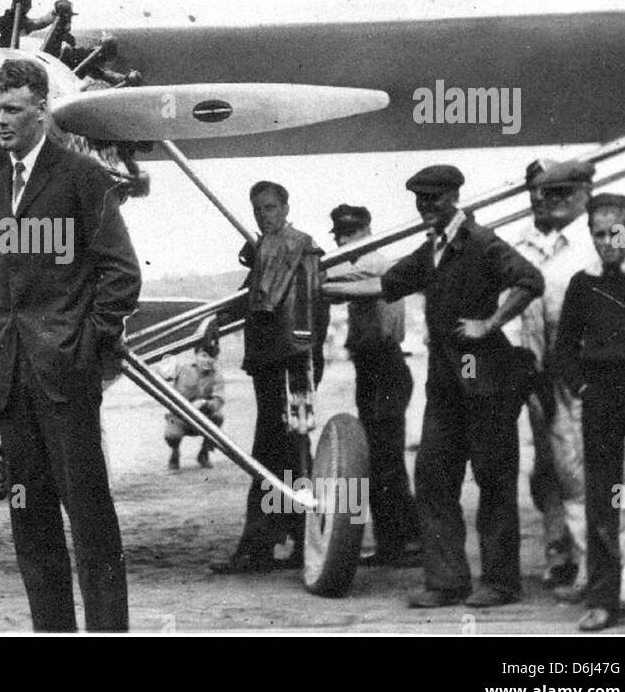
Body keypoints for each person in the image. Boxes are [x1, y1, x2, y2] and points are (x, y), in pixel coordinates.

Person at [324, 165, 543, 608]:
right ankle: (447, 582)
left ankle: (501, 583)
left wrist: (490, 324)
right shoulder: (432, 250)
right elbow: (384, 284)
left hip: (485, 378)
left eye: (434, 199)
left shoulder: (481, 242)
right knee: (433, 478)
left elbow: (530, 280)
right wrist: (322, 286)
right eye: (420, 199)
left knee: (493, 480)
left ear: (454, 197)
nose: (426, 206)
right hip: (445, 383)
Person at [0, 58, 140, 631]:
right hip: (12, 386)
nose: (1, 121)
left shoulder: (82, 176)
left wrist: (85, 345)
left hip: (65, 382)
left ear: (41, 111)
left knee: (90, 522)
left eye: (13, 109)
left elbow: (121, 274)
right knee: (30, 521)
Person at [504, 159, 625, 607]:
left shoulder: (602, 245)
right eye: (547, 192)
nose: (554, 201)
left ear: (587, 191)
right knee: (568, 480)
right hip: (554, 382)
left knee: (621, 484)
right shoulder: (522, 247)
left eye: (566, 192)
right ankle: (588, 570)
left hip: (610, 382)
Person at [554, 193, 625, 634]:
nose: (606, 242)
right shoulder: (583, 284)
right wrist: (582, 387)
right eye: (598, 234)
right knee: (602, 499)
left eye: (614, 233)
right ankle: (604, 600)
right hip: (600, 399)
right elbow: (564, 348)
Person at [211, 181, 327, 574]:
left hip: (291, 362)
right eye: (258, 209)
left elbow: (312, 306)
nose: (264, 216)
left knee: (286, 449)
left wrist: (309, 363)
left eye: (271, 208)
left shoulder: (300, 246)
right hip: (270, 361)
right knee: (278, 449)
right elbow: (248, 296)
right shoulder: (268, 248)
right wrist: (216, 319)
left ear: (286, 207)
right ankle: (280, 540)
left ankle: (273, 543)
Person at [324, 204, 421, 567]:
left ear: (365, 231)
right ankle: (395, 543)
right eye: (340, 235)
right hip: (373, 368)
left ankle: (405, 543)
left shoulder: (372, 263)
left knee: (385, 459)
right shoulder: (359, 266)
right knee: (380, 458)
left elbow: (329, 284)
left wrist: (312, 277)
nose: (342, 241)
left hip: (384, 366)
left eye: (349, 234)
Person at [161, 319, 224, 471]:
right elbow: (164, 378)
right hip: (181, 417)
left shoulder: (216, 375)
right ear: (196, 355)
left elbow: (219, 400)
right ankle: (175, 453)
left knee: (218, 417)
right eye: (203, 356)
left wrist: (204, 403)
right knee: (171, 435)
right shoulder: (183, 370)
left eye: (211, 357)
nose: (207, 360)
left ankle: (204, 453)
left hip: (203, 418)